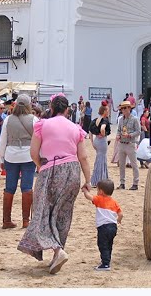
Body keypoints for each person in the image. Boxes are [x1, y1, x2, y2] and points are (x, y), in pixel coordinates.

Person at [17, 94, 94, 275]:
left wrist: (40, 166)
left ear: (51, 108)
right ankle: (57, 253)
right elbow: (83, 157)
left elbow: (33, 152)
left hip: (51, 169)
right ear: (67, 110)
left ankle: (58, 250)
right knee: (63, 214)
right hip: (72, 171)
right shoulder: (75, 128)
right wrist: (88, 180)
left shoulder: (42, 125)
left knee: (42, 212)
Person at [0, 94, 38, 229]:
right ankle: (26, 220)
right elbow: (38, 140)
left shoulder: (8, 119)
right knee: (27, 187)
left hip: (11, 155)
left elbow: (3, 140)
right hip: (28, 156)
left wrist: (1, 158)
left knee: (9, 187)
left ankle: (6, 220)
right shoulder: (34, 119)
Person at [82, 177, 122, 271]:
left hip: (103, 227)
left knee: (102, 245)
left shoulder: (99, 199)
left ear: (101, 191)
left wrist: (85, 190)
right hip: (113, 226)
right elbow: (121, 214)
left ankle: (105, 264)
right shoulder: (114, 202)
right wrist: (118, 220)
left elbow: (88, 197)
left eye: (97, 190)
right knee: (109, 244)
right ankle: (107, 260)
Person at [113, 101, 142, 190]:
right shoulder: (121, 119)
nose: (123, 110)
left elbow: (138, 131)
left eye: (125, 108)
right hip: (122, 143)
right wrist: (118, 135)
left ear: (129, 108)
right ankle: (122, 183)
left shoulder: (135, 119)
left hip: (130, 144)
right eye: (122, 108)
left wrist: (130, 135)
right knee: (121, 165)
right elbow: (119, 130)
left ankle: (135, 183)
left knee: (134, 164)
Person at [89, 103, 111, 187]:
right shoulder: (104, 120)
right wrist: (103, 134)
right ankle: (100, 180)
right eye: (107, 110)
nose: (108, 112)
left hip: (96, 141)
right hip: (102, 141)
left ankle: (97, 179)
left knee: (99, 159)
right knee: (102, 160)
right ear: (104, 111)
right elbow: (102, 128)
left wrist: (92, 142)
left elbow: (90, 131)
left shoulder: (96, 119)